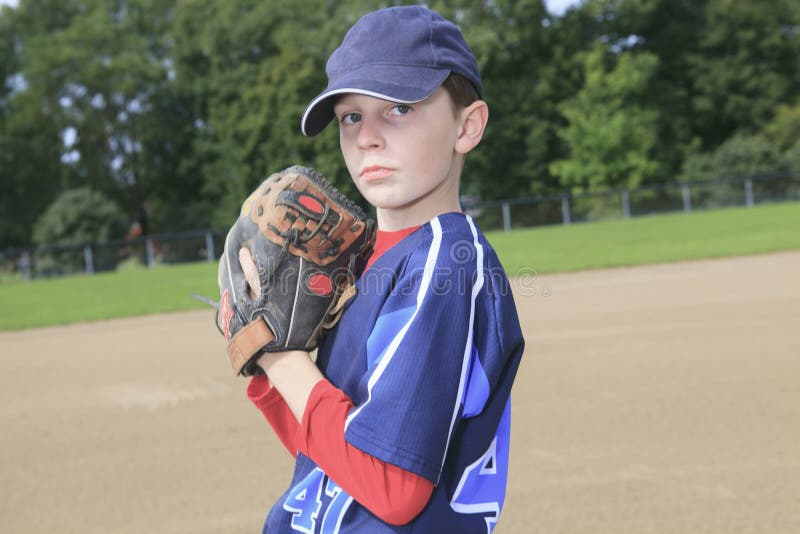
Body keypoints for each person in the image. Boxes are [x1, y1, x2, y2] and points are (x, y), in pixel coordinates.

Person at [245, 5, 525, 532]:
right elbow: (328, 456)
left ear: (468, 126)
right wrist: (264, 358)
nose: (367, 136)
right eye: (351, 116)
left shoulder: (446, 261)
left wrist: (285, 361)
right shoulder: (362, 262)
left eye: (398, 108)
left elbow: (391, 486)